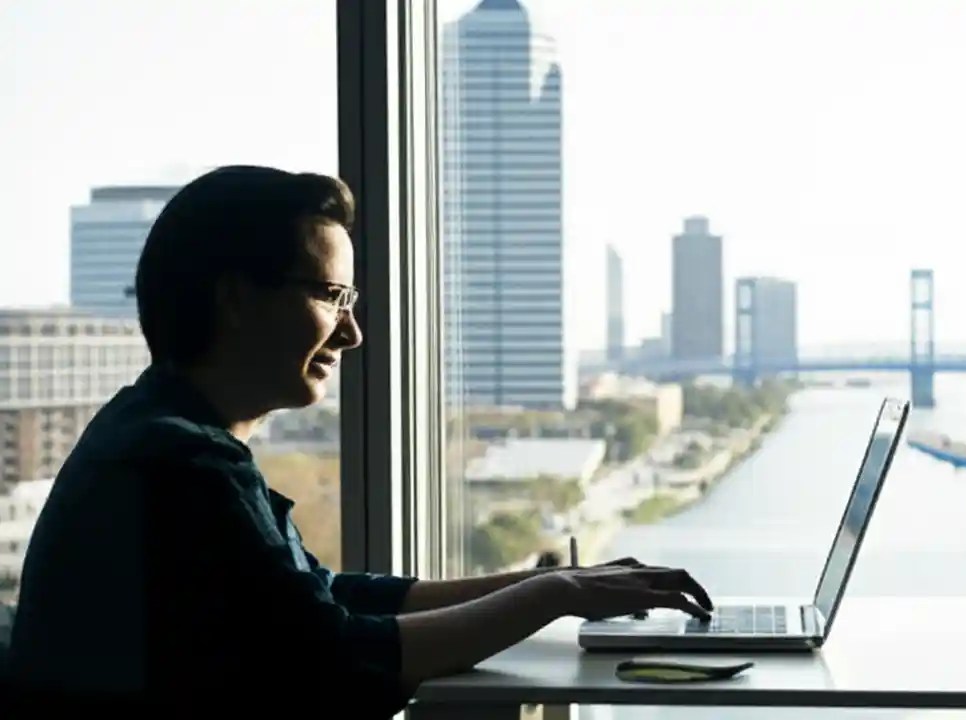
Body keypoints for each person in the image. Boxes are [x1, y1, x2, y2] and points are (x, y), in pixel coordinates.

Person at [4, 165, 713, 718]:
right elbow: (337, 655)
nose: (353, 333)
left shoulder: (155, 434)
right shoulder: (179, 463)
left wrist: (544, 583)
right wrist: (554, 593)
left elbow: (321, 598)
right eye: (331, 297)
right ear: (236, 300)